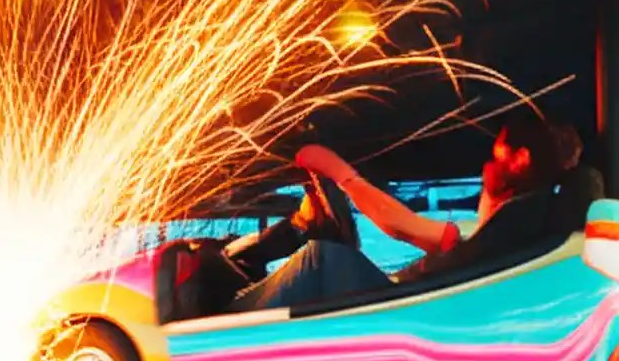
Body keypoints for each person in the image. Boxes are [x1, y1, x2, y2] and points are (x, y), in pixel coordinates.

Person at [226, 115, 583, 312]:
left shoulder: (493, 233)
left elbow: (398, 224)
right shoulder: (500, 233)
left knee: (323, 259)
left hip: (397, 315)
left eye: (495, 157)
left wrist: (341, 174)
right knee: (329, 254)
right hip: (401, 307)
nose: (487, 166)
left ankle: (216, 326)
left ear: (520, 161)